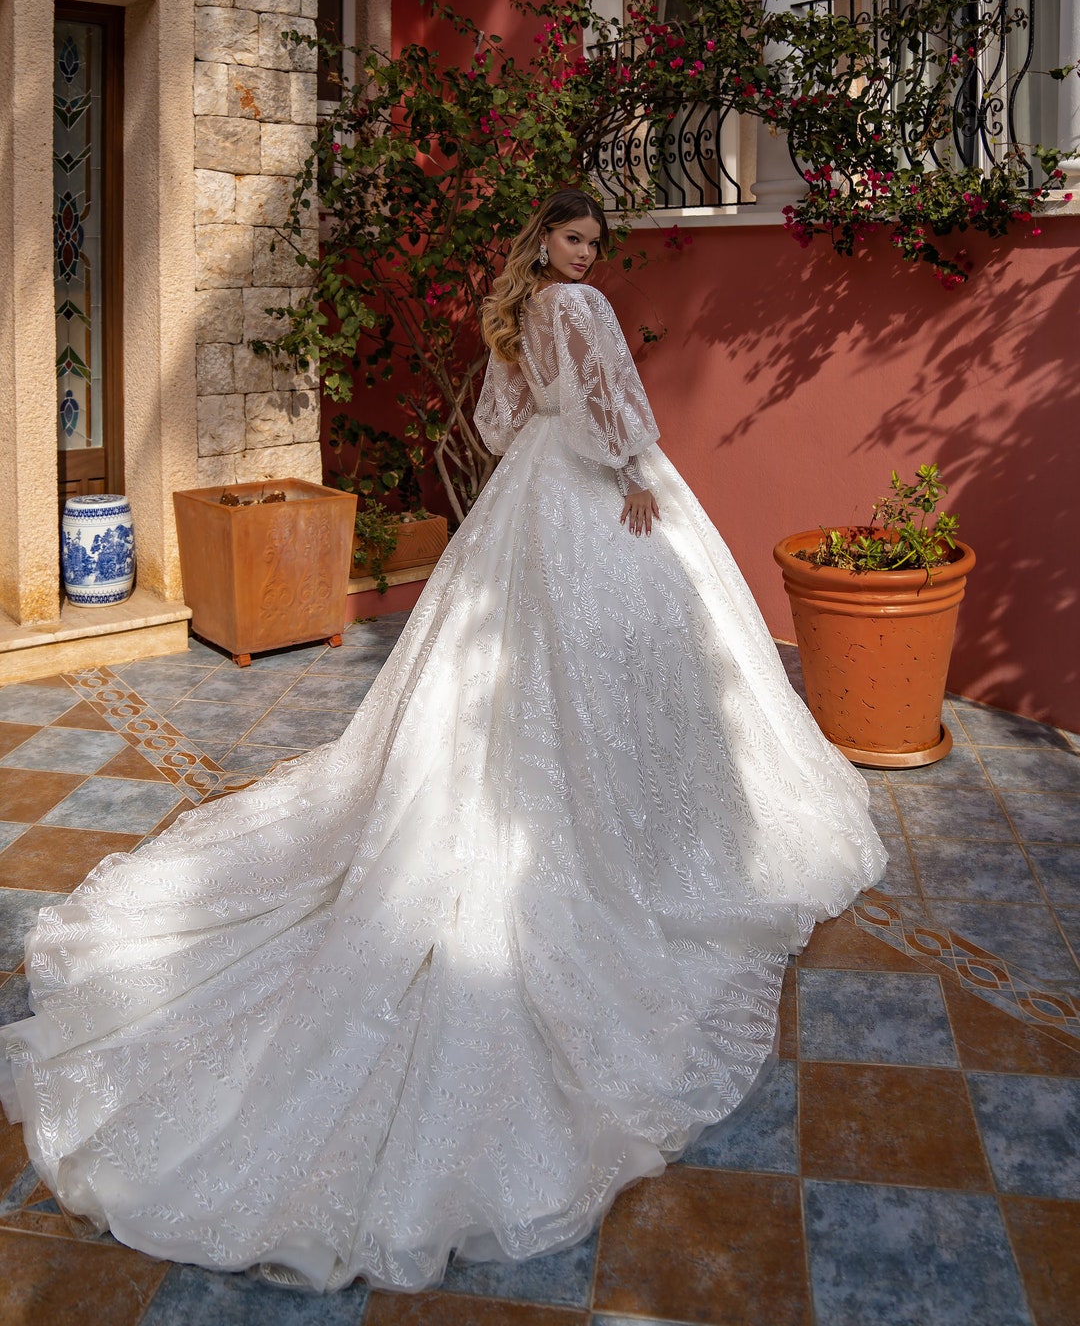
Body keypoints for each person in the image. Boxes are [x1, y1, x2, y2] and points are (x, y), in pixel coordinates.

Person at [0, 189, 887, 1295]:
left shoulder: (515, 315)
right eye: (573, 239)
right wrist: (629, 479)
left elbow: (498, 424)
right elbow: (621, 414)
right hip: (599, 493)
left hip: (526, 498)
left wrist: (556, 450)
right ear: (548, 243)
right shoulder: (586, 308)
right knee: (637, 663)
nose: (584, 256)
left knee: (512, 672)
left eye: (593, 244)